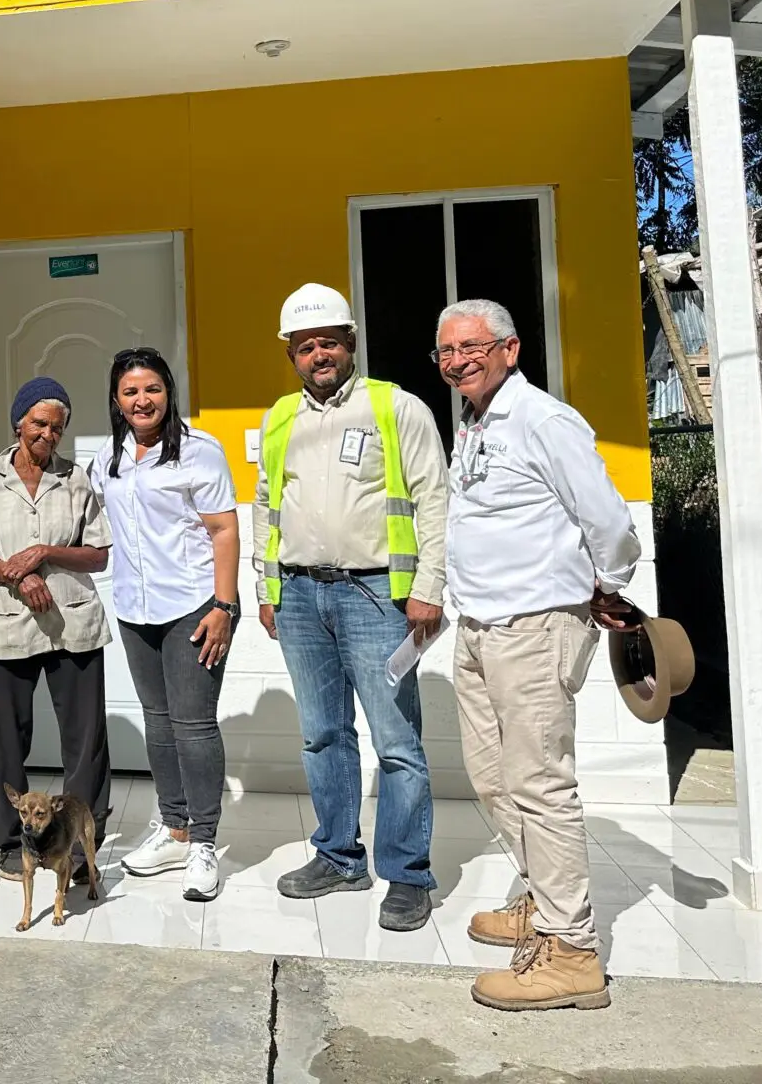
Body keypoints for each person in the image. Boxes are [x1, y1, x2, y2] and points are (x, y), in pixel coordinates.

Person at [436, 298, 641, 1012]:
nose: (458, 360)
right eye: (446, 351)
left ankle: (572, 951)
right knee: (494, 779)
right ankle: (541, 899)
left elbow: (609, 520)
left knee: (541, 784)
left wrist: (606, 587)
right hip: (482, 627)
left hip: (535, 628)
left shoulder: (543, 420)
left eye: (471, 347)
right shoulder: (474, 422)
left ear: (510, 349)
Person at [254, 283, 450, 932]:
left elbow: (433, 501)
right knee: (323, 736)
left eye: (329, 343)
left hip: (377, 597)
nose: (319, 355)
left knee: (397, 744)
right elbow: (265, 506)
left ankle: (408, 876)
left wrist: (429, 587)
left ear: (351, 344)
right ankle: (338, 856)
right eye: (306, 347)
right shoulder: (281, 418)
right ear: (291, 354)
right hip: (302, 596)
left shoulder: (397, 409)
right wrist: (266, 586)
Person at [91, 346, 240, 903]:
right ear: (116, 400)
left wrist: (223, 608)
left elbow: (224, 530)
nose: (141, 400)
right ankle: (173, 828)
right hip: (135, 608)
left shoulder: (199, 452)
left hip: (194, 605)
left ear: (167, 393)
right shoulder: (108, 457)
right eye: (130, 391)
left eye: (151, 389)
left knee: (194, 723)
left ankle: (203, 841)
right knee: (158, 720)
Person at [0, 377, 114, 882]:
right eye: (39, 423)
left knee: (84, 737)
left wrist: (46, 553)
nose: (48, 434)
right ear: (18, 423)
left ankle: (79, 840)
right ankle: (12, 842)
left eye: (57, 426)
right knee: (7, 737)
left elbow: (98, 553)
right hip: (8, 623)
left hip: (73, 620)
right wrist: (18, 573)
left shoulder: (76, 480)